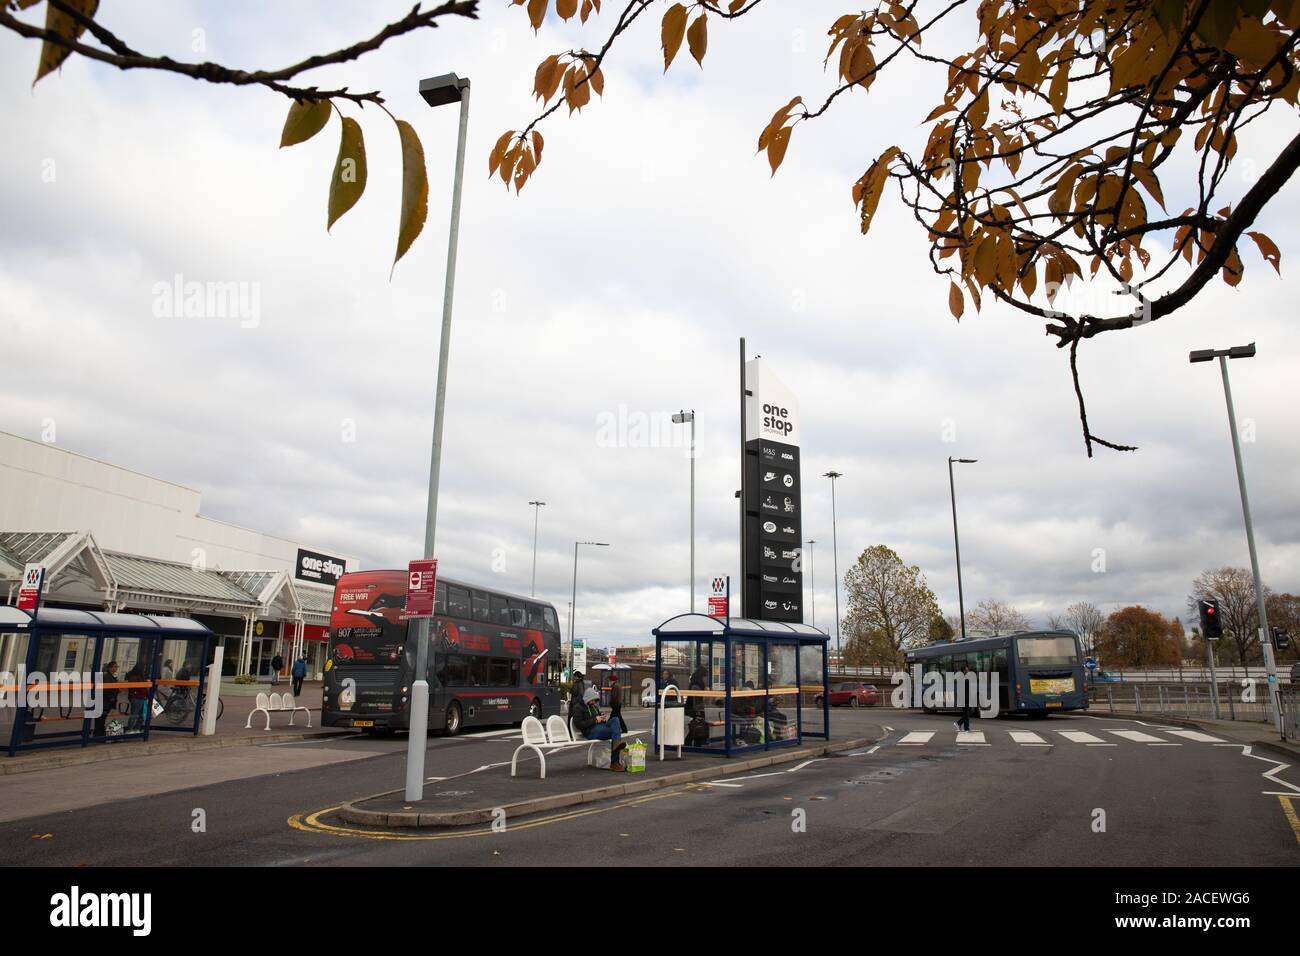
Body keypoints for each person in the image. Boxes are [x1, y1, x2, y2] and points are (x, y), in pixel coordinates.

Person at [571, 686, 626, 770]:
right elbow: (579, 725)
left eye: (595, 700)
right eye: (592, 700)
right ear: (587, 699)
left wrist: (602, 718)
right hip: (589, 731)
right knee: (616, 733)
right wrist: (595, 720)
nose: (593, 702)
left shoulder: (594, 707)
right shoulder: (577, 708)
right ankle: (615, 762)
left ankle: (616, 748)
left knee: (615, 719)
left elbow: (599, 718)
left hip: (599, 727)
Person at [95, 661, 119, 737]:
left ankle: (99, 733)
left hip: (106, 701)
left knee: (102, 718)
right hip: (105, 701)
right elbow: (106, 689)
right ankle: (99, 733)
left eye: (116, 667)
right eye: (114, 667)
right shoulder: (107, 676)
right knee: (101, 718)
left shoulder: (111, 676)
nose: (116, 668)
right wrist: (111, 697)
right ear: (110, 667)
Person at [954, 661, 974, 732]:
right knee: (966, 713)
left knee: (969, 712)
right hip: (964, 699)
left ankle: (958, 723)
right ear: (964, 671)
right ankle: (966, 728)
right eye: (966, 670)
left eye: (968, 669)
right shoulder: (963, 678)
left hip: (967, 698)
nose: (968, 671)